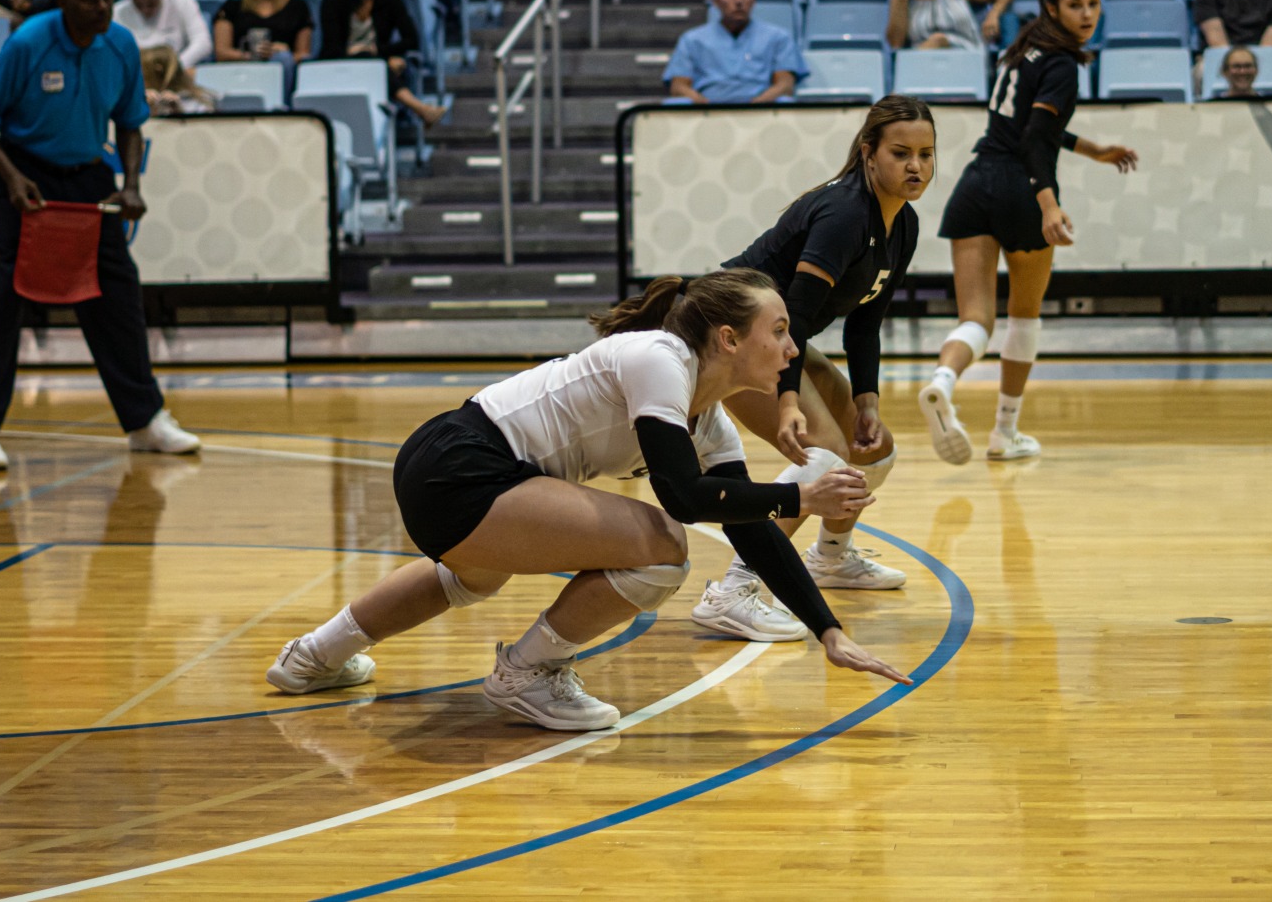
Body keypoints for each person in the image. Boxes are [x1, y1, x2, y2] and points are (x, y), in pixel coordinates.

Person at [263, 268, 910, 727]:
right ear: (728, 339)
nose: (793, 349)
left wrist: (828, 629)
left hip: (450, 468)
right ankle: (526, 671)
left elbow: (748, 525)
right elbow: (684, 498)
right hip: (463, 466)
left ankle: (311, 658)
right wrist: (801, 498)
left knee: (468, 578)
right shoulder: (661, 358)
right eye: (781, 330)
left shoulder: (706, 414)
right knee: (662, 550)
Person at [688, 98, 935, 640]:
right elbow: (794, 316)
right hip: (730, 338)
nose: (915, 166)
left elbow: (866, 323)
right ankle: (733, 588)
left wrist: (867, 401)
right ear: (869, 154)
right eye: (901, 153)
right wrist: (789, 403)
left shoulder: (904, 224)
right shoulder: (845, 212)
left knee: (874, 448)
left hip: (781, 341)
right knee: (824, 455)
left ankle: (832, 557)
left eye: (925, 154)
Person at [0, 0, 201, 473]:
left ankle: (144, 421)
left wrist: (131, 184)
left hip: (89, 175)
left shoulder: (121, 45)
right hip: (24, 175)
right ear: (63, 1)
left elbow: (130, 122)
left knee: (117, 295)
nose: (102, 7)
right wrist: (12, 178)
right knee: (7, 296)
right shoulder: (28, 41)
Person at [919, 0, 1138, 464]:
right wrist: (1048, 202)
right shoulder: (1062, 64)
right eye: (1076, 5)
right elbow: (1036, 139)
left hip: (976, 182)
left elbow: (1025, 126)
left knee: (975, 318)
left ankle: (942, 382)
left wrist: (1092, 149)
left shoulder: (1022, 49)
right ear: (1052, 7)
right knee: (1024, 317)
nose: (1087, 15)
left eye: (1093, 4)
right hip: (1022, 188)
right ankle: (1004, 432)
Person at [319, 0, 446, 127]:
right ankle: (419, 107)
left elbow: (412, 39)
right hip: (340, 66)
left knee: (377, 64)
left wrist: (379, 51)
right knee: (369, 61)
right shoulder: (332, 1)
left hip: (379, 63)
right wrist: (372, 56)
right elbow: (331, 49)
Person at [664, 0, 809, 104]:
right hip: (706, 116)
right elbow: (679, 87)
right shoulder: (692, 40)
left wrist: (750, 110)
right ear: (716, 1)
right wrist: (708, 109)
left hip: (762, 114)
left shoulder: (778, 38)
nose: (739, 1)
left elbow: (785, 85)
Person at [213, 0, 316, 99]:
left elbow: (303, 54)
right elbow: (221, 52)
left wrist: (281, 51)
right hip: (242, 70)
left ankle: (280, 106)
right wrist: (254, 56)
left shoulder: (298, 7)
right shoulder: (231, 7)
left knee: (283, 58)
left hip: (284, 71)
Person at [112, 0, 211, 73]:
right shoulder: (118, 12)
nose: (145, 10)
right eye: (138, 5)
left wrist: (175, 67)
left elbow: (203, 43)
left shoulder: (182, 1)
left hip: (178, 72)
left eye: (151, 4)